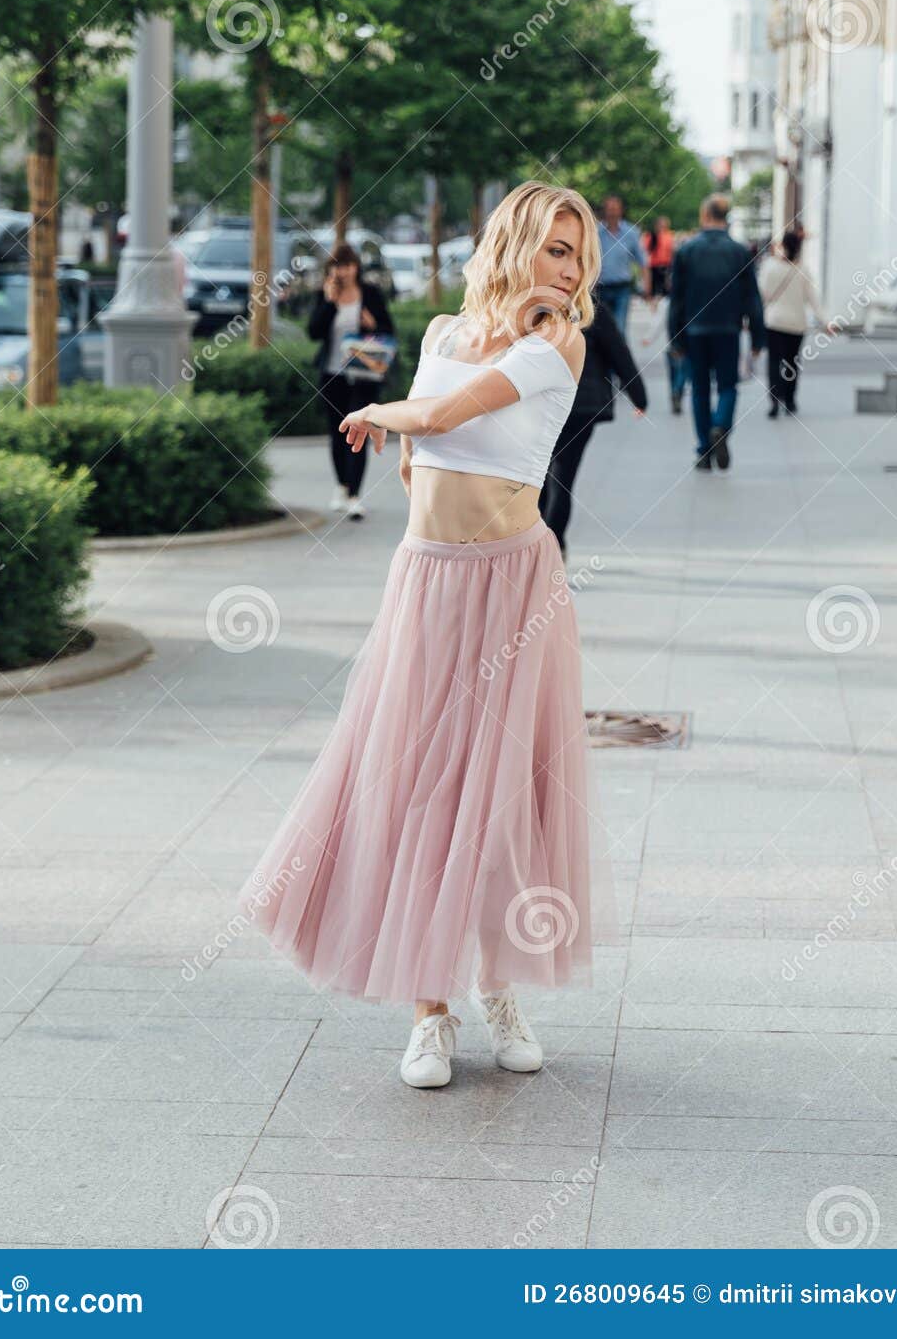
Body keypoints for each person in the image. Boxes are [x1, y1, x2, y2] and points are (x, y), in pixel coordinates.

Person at [242, 183, 618, 1090]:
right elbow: (419, 458)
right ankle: (428, 1012)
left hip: (512, 586)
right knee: (417, 785)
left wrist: (376, 414)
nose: (565, 269)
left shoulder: (556, 342)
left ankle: (501, 988)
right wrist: (407, 454)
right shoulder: (446, 332)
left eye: (577, 255)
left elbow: (439, 419)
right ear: (512, 243)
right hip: (428, 581)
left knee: (498, 793)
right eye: (551, 248)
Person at [540, 296, 648, 557]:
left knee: (539, 475)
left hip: (543, 404)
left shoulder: (534, 304)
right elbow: (618, 351)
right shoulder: (589, 307)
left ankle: (541, 542)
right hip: (583, 404)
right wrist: (639, 396)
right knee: (564, 476)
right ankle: (554, 544)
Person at [667, 192, 765, 472]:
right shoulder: (739, 251)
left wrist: (675, 336)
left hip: (694, 330)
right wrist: (758, 337)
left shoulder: (686, 251)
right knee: (727, 386)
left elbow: (677, 299)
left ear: (705, 216)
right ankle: (720, 425)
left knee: (698, 390)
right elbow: (752, 298)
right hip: (728, 329)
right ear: (725, 217)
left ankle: (703, 450)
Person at [307, 244, 394, 521]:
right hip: (332, 374)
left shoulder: (370, 294)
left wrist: (372, 325)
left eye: (347, 265)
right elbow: (313, 332)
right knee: (337, 432)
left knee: (359, 431)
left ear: (356, 267)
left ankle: (355, 495)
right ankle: (342, 487)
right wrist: (330, 303)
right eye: (337, 266)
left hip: (363, 376)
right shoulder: (325, 294)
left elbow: (389, 331)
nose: (342, 271)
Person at [758, 228, 834, 416]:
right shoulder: (803, 270)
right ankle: (790, 400)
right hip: (796, 323)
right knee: (792, 362)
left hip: (773, 321)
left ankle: (774, 400)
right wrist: (826, 323)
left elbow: (761, 294)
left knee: (774, 362)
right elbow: (813, 300)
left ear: (782, 245)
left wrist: (749, 318)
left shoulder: (769, 266)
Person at [596, 193, 648, 335]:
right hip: (601, 289)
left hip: (622, 289)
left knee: (619, 329)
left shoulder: (631, 232)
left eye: (615, 208)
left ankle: (619, 356)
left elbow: (642, 261)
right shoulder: (596, 232)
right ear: (605, 210)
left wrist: (646, 286)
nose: (612, 211)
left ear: (621, 210)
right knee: (602, 330)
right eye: (609, 208)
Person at [642, 214, 674, 303]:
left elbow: (672, 251)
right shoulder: (650, 236)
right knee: (653, 289)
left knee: (665, 289)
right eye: (661, 224)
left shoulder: (669, 236)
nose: (662, 227)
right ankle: (652, 305)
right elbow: (645, 251)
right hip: (653, 266)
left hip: (666, 266)